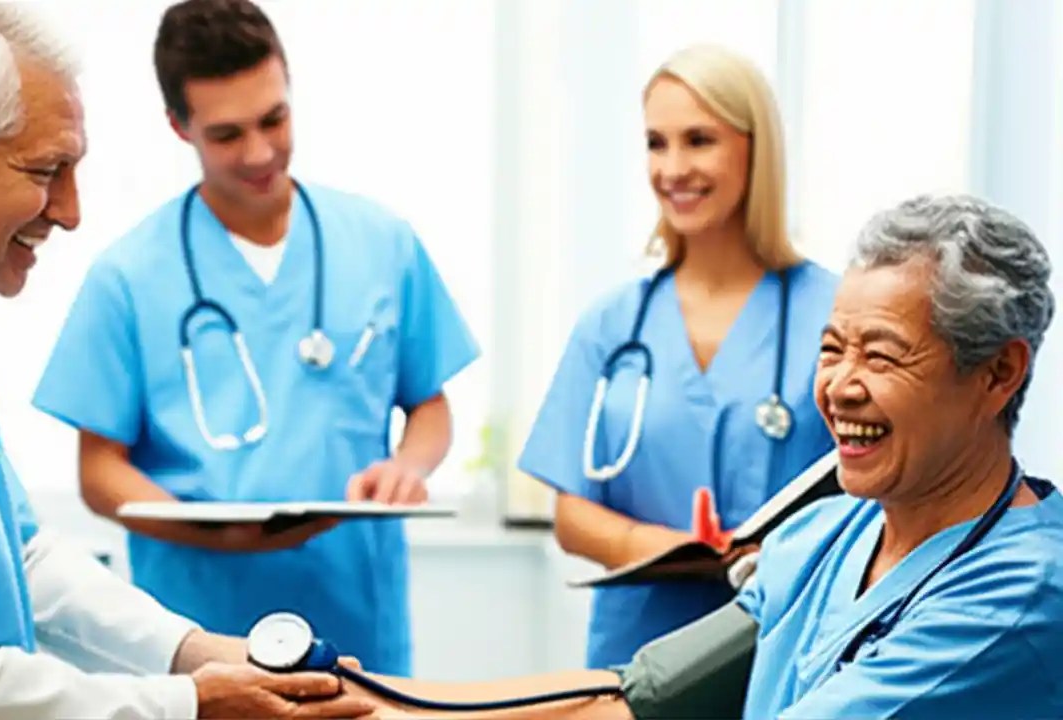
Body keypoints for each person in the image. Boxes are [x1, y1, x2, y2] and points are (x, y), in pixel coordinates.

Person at [0, 2, 378, 717]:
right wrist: (190, 704)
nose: (69, 211)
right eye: (45, 170)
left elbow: (21, 557)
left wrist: (196, 649)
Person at [332, 194, 1063, 719]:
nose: (839, 387)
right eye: (832, 350)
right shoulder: (828, 536)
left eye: (881, 356)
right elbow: (631, 698)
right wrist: (379, 702)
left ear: (998, 373)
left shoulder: (1023, 596)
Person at [31, 0, 479, 677]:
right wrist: (215, 530)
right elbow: (100, 473)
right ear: (179, 127)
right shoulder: (128, 277)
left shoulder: (382, 242)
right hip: (196, 640)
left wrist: (407, 469)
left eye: (275, 119)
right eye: (227, 133)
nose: (261, 152)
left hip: (357, 629)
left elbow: (429, 406)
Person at [517, 43, 840, 669]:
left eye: (699, 140)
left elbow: (880, 491)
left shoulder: (836, 313)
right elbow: (571, 514)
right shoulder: (612, 325)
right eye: (656, 143)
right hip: (639, 652)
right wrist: (661, 546)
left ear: (756, 149)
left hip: (784, 642)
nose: (672, 168)